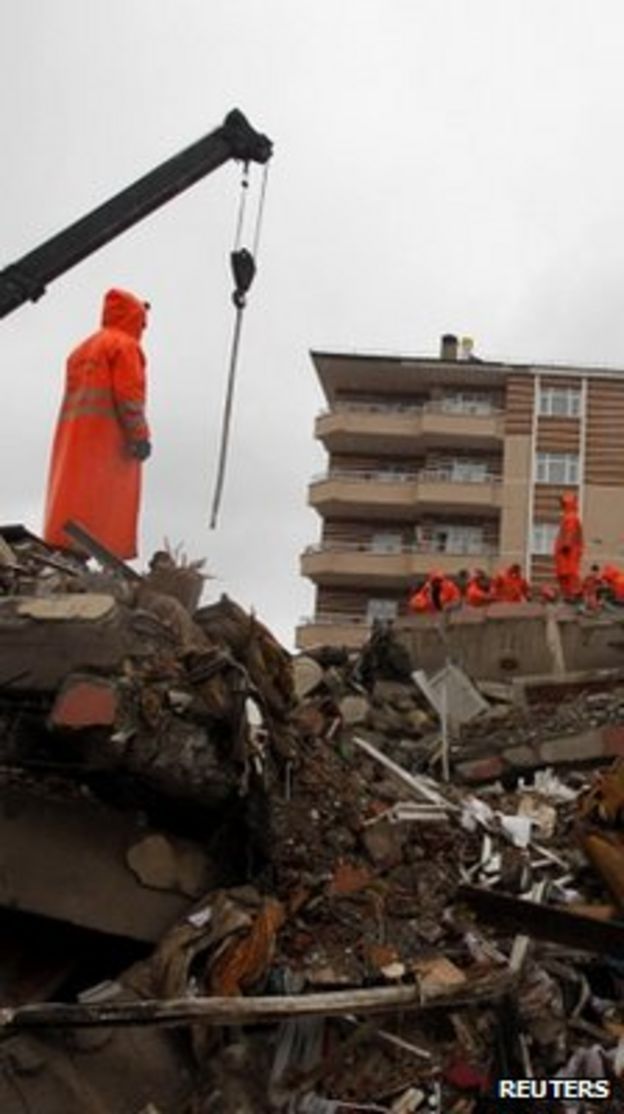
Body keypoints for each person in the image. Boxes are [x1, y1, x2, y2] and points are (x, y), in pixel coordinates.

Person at [43, 288, 151, 560]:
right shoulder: (125, 346)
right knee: (102, 512)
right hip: (109, 443)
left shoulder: (81, 350)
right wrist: (140, 437)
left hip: (75, 440)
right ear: (134, 318)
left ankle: (66, 552)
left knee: (73, 502)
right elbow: (129, 397)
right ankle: (87, 557)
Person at [554, 492, 583, 599]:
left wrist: (566, 544)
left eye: (562, 504)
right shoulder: (569, 517)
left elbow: (570, 531)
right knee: (564, 573)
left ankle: (572, 592)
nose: (561, 506)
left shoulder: (570, 517)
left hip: (568, 552)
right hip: (566, 551)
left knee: (568, 572)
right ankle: (569, 593)